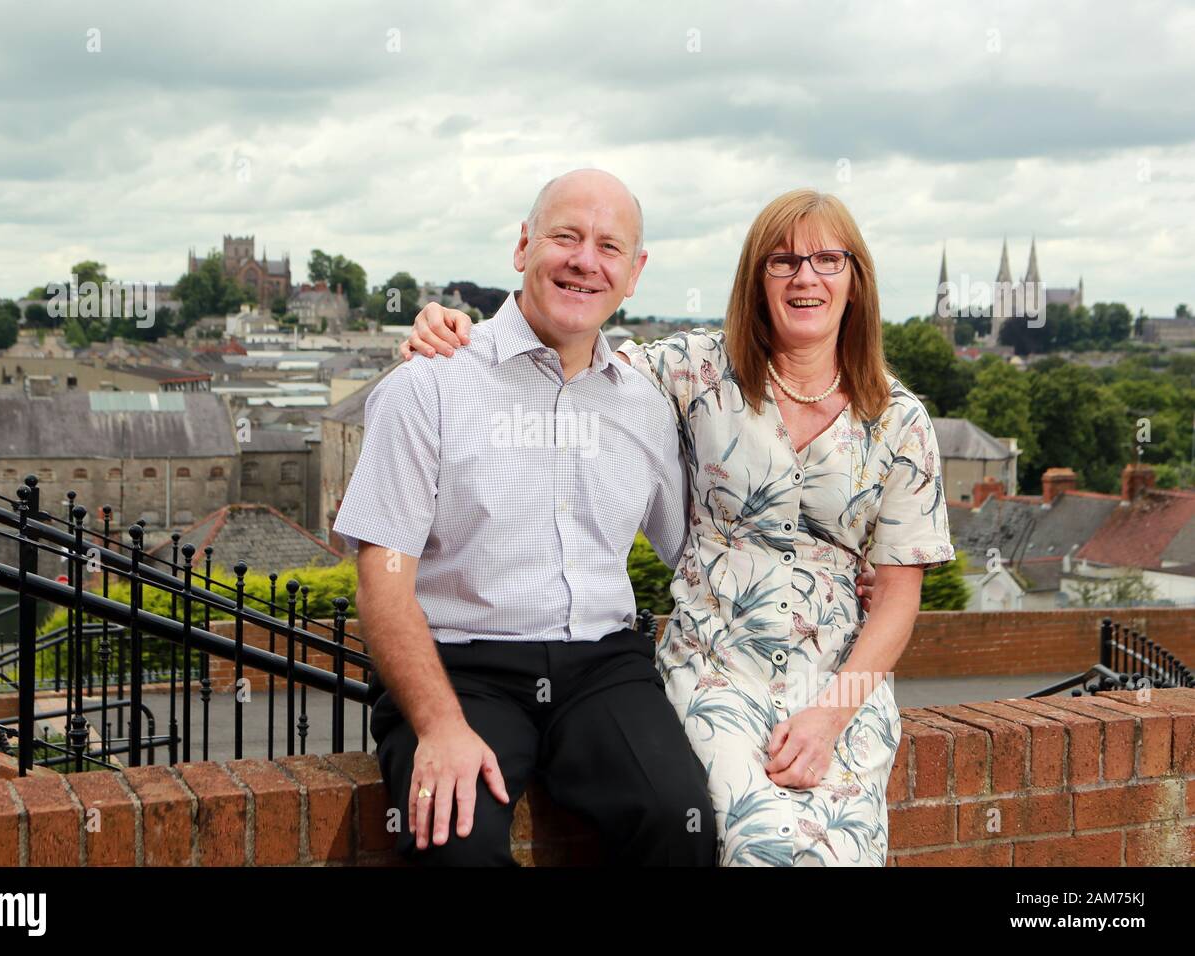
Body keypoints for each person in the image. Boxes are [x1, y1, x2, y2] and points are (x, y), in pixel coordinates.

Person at [402, 187, 952, 866]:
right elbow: (568, 351)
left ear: (856, 279)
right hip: (715, 664)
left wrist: (832, 714)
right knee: (749, 843)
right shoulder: (693, 372)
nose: (805, 276)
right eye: (781, 262)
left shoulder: (902, 421)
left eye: (827, 259)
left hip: (839, 679)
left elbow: (900, 597)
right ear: (756, 281)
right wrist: (456, 326)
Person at [333, 168, 722, 865]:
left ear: (633, 274)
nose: (584, 260)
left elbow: (700, 552)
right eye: (565, 236)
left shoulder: (643, 403)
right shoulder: (427, 385)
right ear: (522, 248)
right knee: (453, 847)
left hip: (605, 671)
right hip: (461, 671)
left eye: (609, 246)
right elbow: (381, 585)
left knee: (681, 822)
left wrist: (844, 574)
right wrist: (440, 726)